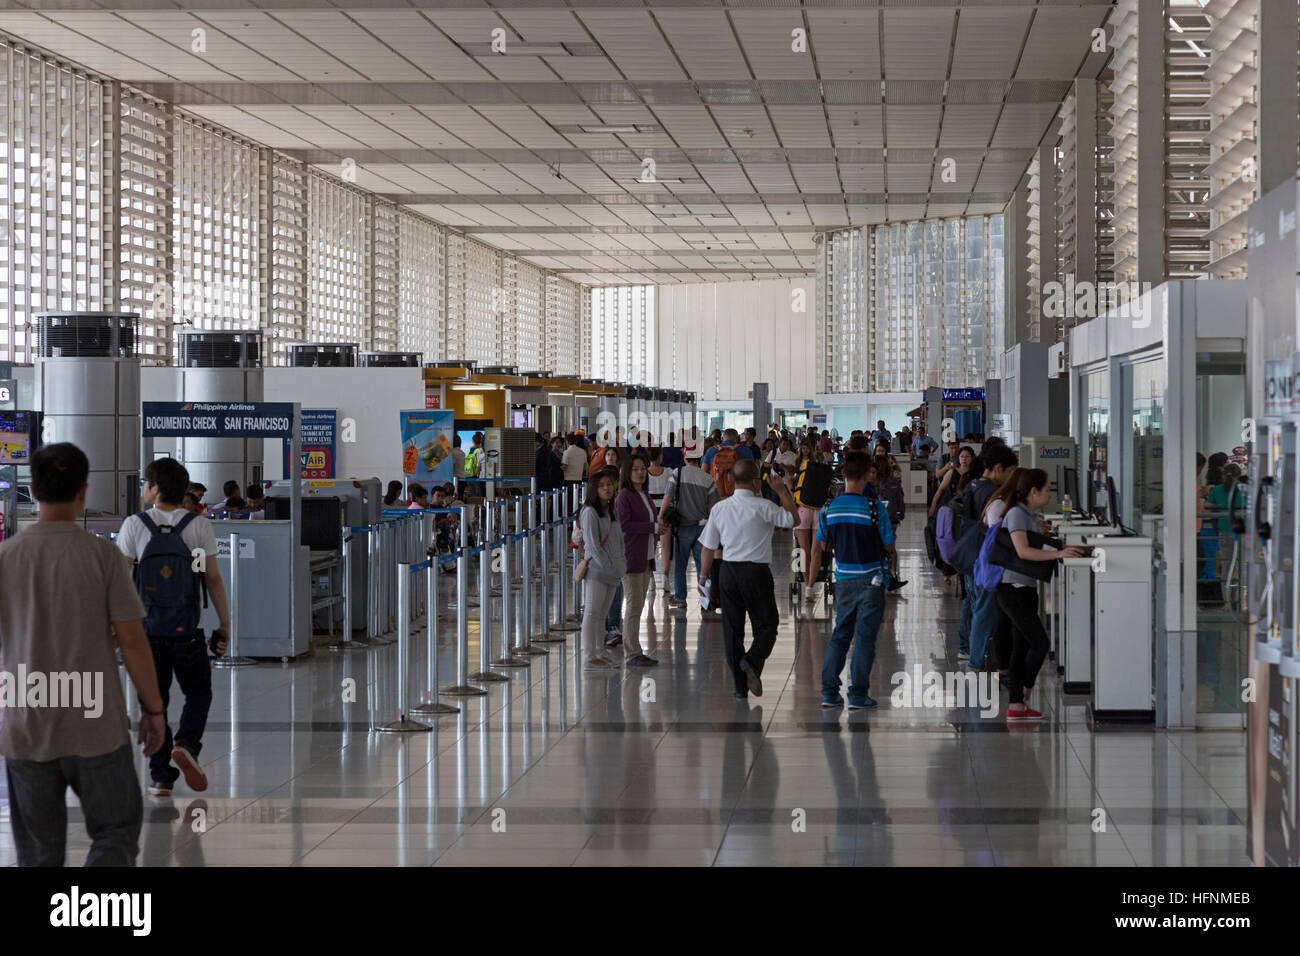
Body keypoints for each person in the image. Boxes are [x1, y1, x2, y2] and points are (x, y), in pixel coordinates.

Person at [0, 443, 167, 866]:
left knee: (38, 852)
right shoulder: (103, 556)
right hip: (95, 723)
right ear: (84, 491)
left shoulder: (6, 558)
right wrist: (154, 709)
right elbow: (132, 640)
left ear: (33, 489)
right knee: (115, 832)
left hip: (25, 720)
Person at [116, 457, 232, 796]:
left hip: (146, 634)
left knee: (155, 703)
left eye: (145, 484)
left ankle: (161, 777)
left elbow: (122, 584)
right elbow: (212, 580)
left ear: (154, 488)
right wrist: (224, 624)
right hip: (188, 632)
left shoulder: (134, 525)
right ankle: (187, 744)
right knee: (198, 692)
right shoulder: (197, 525)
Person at [990, 468, 1084, 721]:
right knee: (1039, 643)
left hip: (1025, 587)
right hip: (1014, 589)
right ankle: (1022, 690)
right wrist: (1057, 554)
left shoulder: (1025, 513)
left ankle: (1016, 706)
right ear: (1033, 492)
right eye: (1047, 489)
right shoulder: (1017, 514)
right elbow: (1022, 551)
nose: (1049, 493)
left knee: (1021, 646)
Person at [698, 460, 798, 699]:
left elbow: (708, 547)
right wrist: (782, 490)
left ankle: (739, 688)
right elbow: (794, 520)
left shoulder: (720, 508)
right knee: (767, 626)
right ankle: (751, 661)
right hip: (756, 572)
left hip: (728, 573)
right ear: (756, 482)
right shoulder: (764, 506)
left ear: (733, 480)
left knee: (732, 631)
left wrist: (703, 577)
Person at [807, 452, 895, 709]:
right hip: (873, 580)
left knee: (840, 635)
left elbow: (822, 545)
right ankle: (857, 695)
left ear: (842, 474)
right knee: (865, 638)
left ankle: (829, 693)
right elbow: (889, 546)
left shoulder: (828, 509)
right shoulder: (875, 508)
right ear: (869, 474)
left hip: (843, 579)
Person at [965, 444, 1019, 671]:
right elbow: (998, 531)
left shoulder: (974, 485)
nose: (1010, 478)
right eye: (1009, 472)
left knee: (978, 608)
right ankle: (977, 660)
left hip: (974, 558)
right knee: (984, 612)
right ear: (998, 468)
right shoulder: (992, 495)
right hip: (986, 562)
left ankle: (975, 653)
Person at [659, 447, 720, 607]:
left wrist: (661, 515)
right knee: (704, 566)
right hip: (703, 527)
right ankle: (706, 600)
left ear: (685, 457)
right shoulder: (708, 479)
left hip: (682, 528)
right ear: (700, 458)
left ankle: (680, 598)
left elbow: (668, 496)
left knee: (680, 564)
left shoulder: (677, 474)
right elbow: (714, 508)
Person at [579, 470, 626, 669]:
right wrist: (609, 566)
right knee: (592, 611)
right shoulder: (589, 512)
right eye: (602, 485)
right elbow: (594, 545)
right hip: (598, 571)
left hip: (614, 570)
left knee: (602, 614)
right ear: (594, 489)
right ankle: (590, 654)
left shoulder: (611, 510)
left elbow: (619, 540)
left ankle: (599, 651)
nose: (607, 488)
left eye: (609, 484)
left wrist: (620, 564)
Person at [615, 456, 660, 667]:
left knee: (639, 604)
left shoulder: (643, 494)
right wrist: (652, 528)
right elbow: (625, 526)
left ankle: (636, 649)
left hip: (646, 555)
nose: (640, 473)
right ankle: (631, 652)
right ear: (627, 472)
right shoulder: (624, 496)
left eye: (643, 468)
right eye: (635, 469)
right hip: (631, 556)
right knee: (633, 605)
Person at [646, 447, 673, 590]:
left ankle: (651, 578)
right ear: (660, 456)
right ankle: (666, 577)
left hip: (649, 511)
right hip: (665, 510)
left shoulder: (645, 473)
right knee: (666, 545)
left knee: (651, 546)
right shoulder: (669, 472)